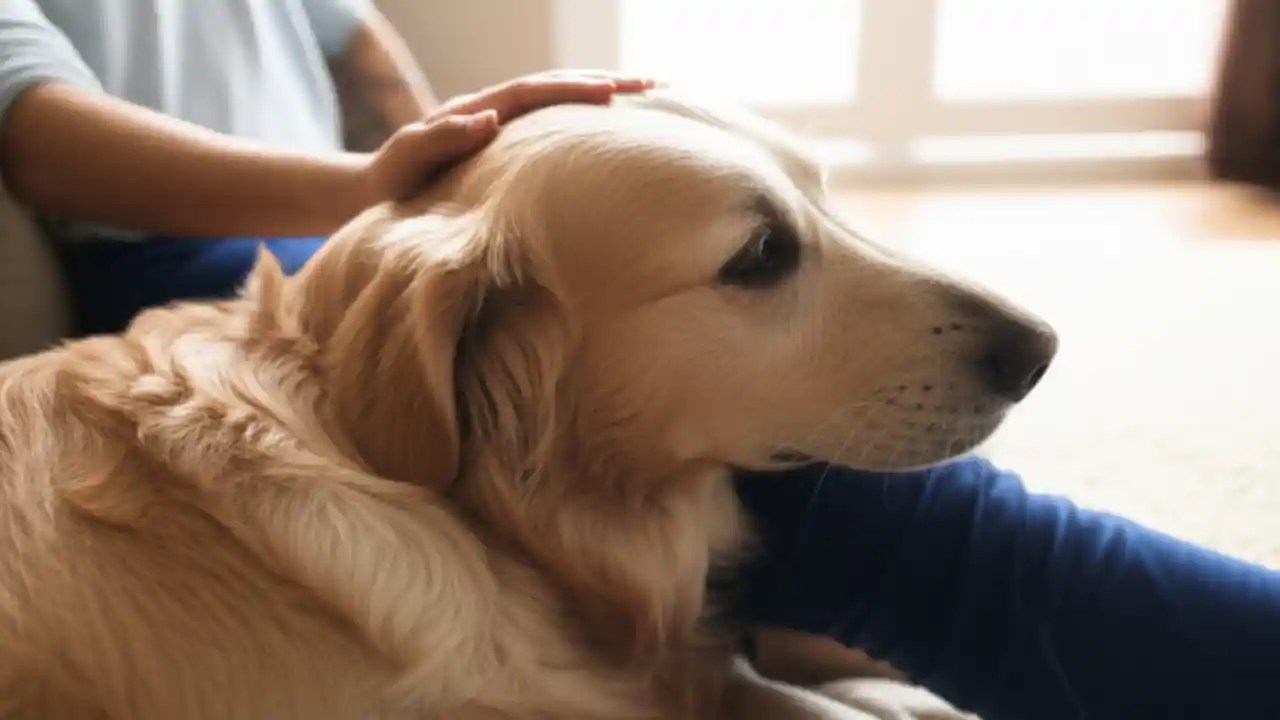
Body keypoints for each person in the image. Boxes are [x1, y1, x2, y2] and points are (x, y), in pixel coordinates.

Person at [1, 3, 1277, 719]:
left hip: (374, 223)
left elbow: (364, 60)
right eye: (761, 260)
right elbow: (38, 130)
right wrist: (383, 194)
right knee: (926, 534)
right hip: (214, 249)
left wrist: (500, 153)